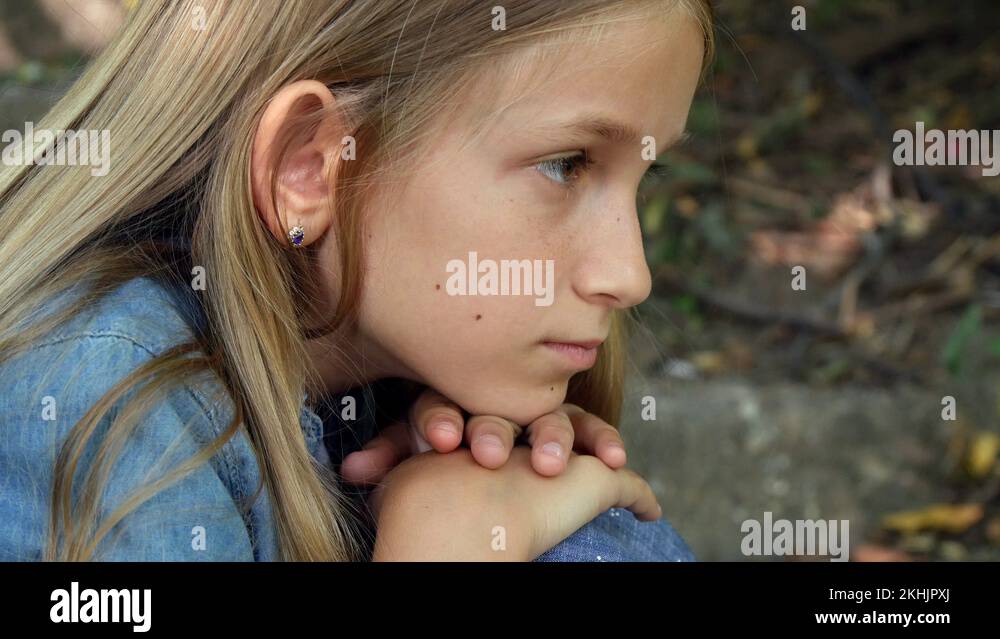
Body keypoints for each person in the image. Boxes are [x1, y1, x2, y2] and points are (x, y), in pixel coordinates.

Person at [0, 0, 713, 561]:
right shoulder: (102, 405)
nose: (631, 275)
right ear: (310, 168)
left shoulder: (410, 384)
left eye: (641, 179)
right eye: (566, 163)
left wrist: (488, 479)